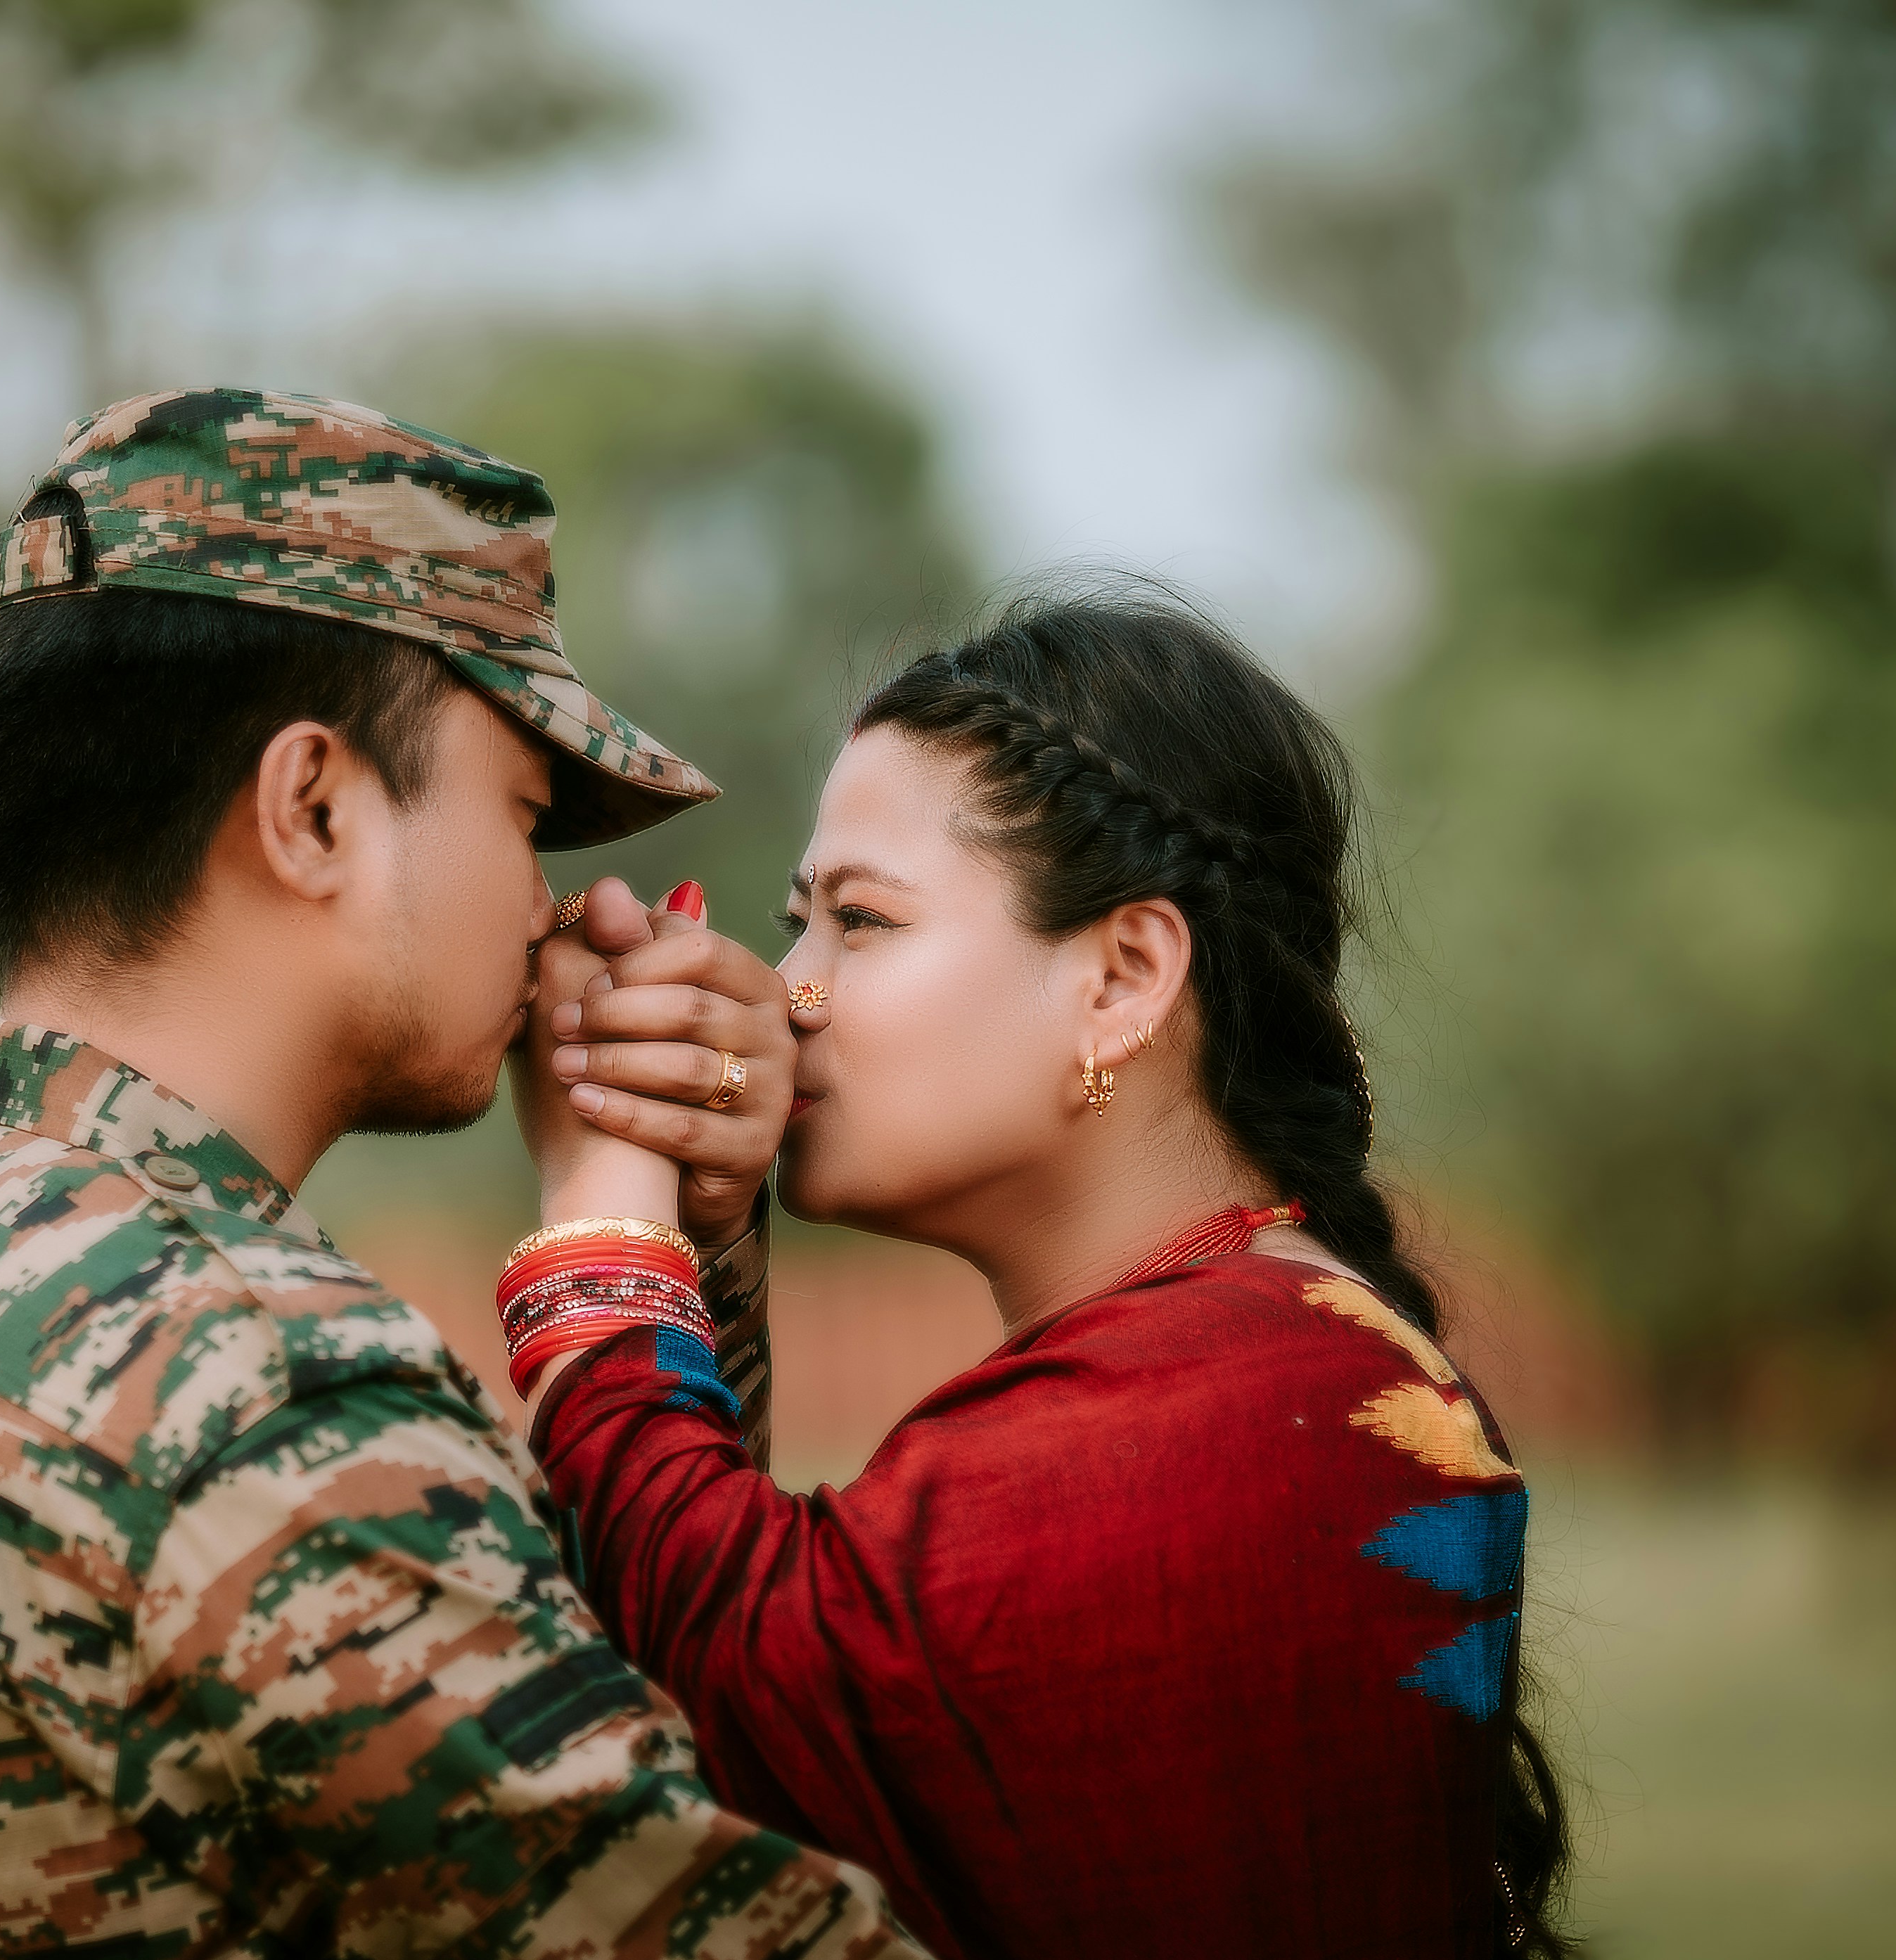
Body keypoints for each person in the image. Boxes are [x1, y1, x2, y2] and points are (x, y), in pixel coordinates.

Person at [0, 387, 924, 1959]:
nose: (557, 902)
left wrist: (682, 1230)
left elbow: (561, 1721)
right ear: (311, 808)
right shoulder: (253, 1382)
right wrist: (603, 1241)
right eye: (523, 812)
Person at [498, 592, 1576, 1959]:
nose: (787, 990)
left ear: (1124, 973)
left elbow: (720, 1702)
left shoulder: (1244, 1407)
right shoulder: (1263, 1354)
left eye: (860, 921)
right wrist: (702, 1224)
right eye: (792, 921)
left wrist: (603, 1186)